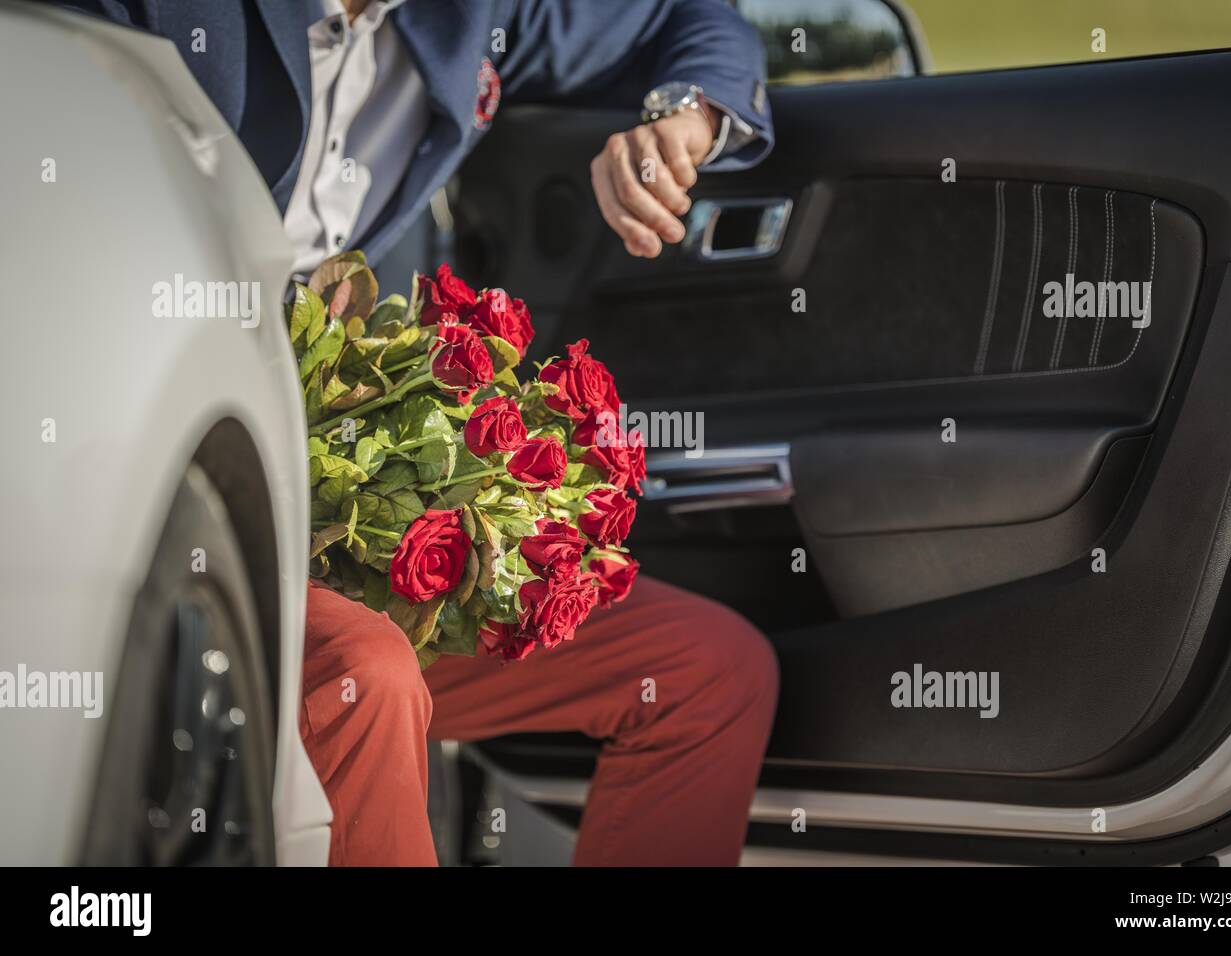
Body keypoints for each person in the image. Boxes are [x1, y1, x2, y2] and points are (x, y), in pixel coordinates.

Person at [64, 0, 778, 866]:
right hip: (153, 488)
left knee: (709, 672)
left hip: (350, 512)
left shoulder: (482, 13)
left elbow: (692, 19)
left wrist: (680, 120)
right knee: (370, 671)